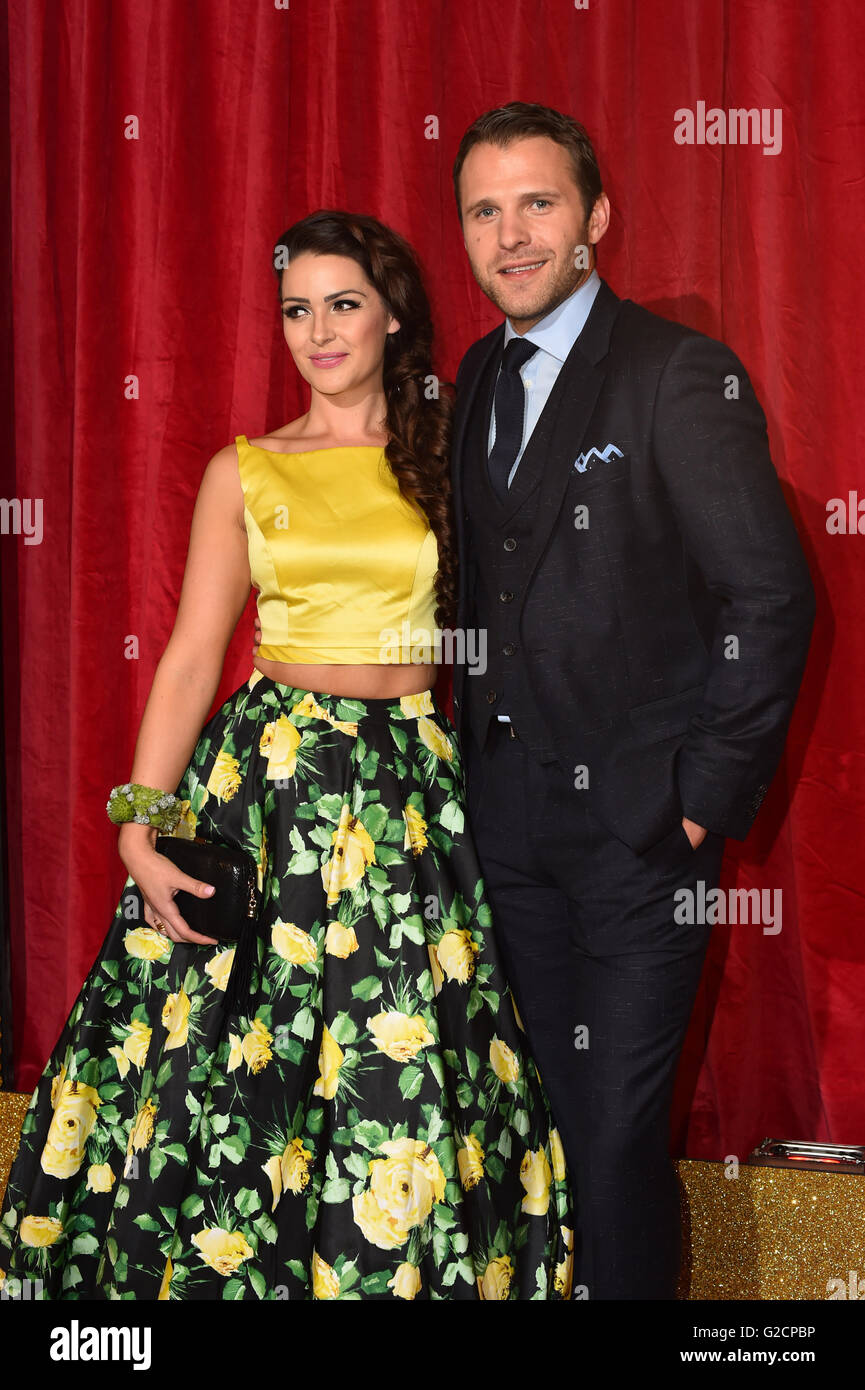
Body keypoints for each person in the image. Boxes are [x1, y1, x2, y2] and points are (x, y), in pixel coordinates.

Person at [0, 210, 573, 1301]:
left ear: (393, 313)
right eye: (296, 310)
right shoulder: (245, 469)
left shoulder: (452, 454)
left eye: (342, 303)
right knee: (238, 1054)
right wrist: (136, 819)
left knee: (400, 1054)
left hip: (411, 791)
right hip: (270, 780)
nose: (318, 331)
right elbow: (188, 658)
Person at [446, 102, 816, 1300]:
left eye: (538, 203)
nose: (511, 235)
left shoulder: (674, 372)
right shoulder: (472, 375)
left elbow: (769, 597)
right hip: (502, 835)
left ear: (595, 218)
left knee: (612, 1146)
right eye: (485, 210)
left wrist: (696, 803)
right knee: (546, 1133)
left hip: (639, 844)